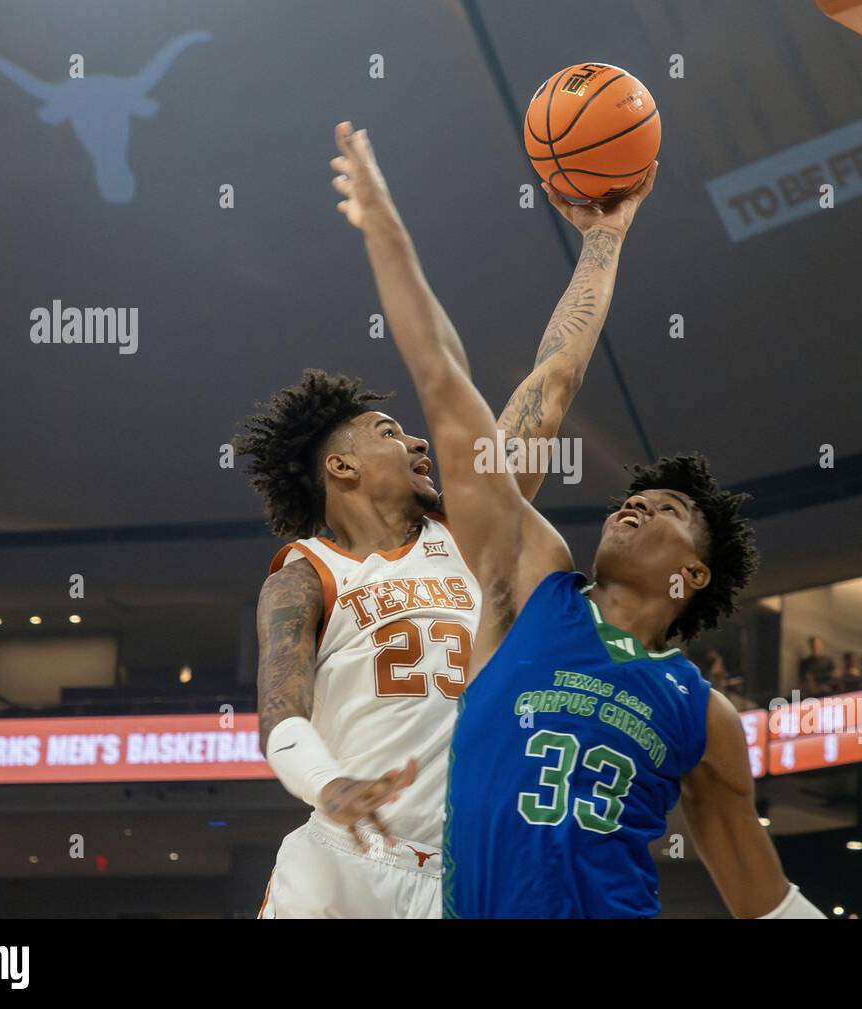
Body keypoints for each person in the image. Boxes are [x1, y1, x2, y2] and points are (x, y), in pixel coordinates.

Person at [331, 121, 823, 919]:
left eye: (664, 509)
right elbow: (474, 380)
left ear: (691, 574)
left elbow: (761, 895)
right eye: (634, 498)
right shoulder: (529, 584)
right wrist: (394, 240)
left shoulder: (699, 711)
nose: (633, 503)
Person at [240, 125, 658, 919]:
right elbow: (279, 715)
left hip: (461, 881)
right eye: (389, 433)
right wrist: (331, 785)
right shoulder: (308, 572)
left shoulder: (478, 528)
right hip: (342, 858)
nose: (420, 438)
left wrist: (604, 238)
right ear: (341, 467)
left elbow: (556, 374)